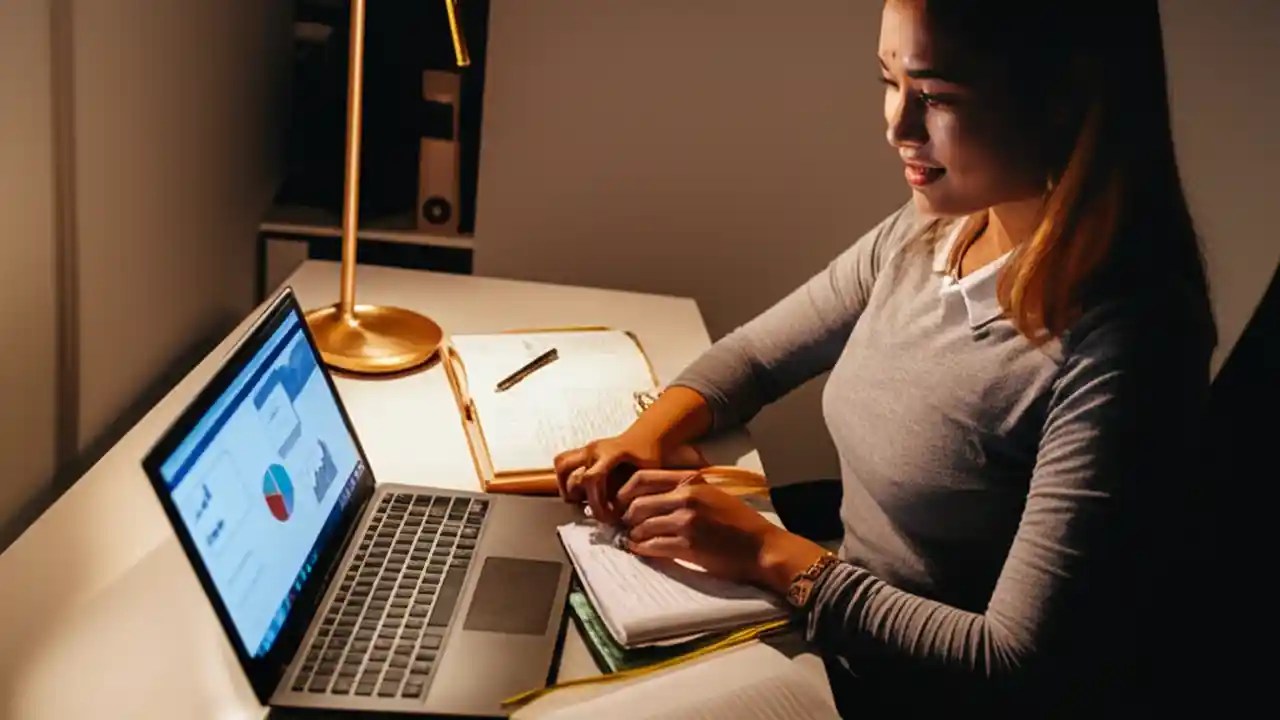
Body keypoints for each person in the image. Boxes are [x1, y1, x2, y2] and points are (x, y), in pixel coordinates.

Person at [555, 1, 1215, 716]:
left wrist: (768, 556)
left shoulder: (1131, 342)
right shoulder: (941, 228)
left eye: (935, 96)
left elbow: (1016, 661)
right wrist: (644, 434)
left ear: (1062, 102)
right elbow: (754, 358)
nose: (897, 125)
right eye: (888, 81)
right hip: (829, 636)